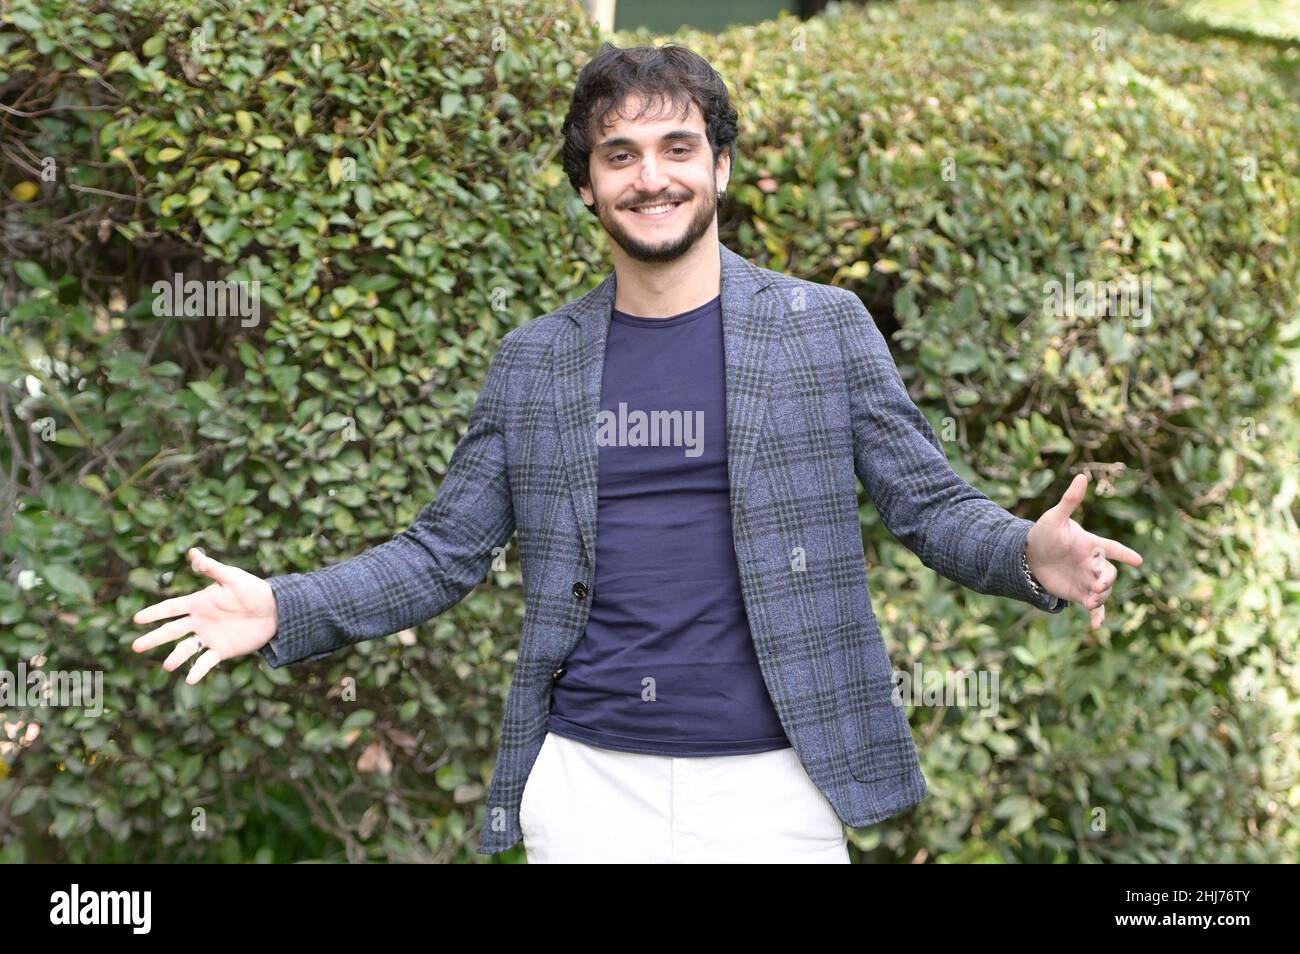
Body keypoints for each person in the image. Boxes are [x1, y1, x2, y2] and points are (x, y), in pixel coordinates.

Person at [132, 42, 1143, 863]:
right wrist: (286, 606)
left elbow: (926, 505)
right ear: (587, 185)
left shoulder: (820, 328)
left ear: (720, 166)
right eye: (619, 155)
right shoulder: (534, 362)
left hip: (777, 785)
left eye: (676, 147)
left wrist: (1026, 553)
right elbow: (443, 552)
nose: (650, 176)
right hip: (587, 787)